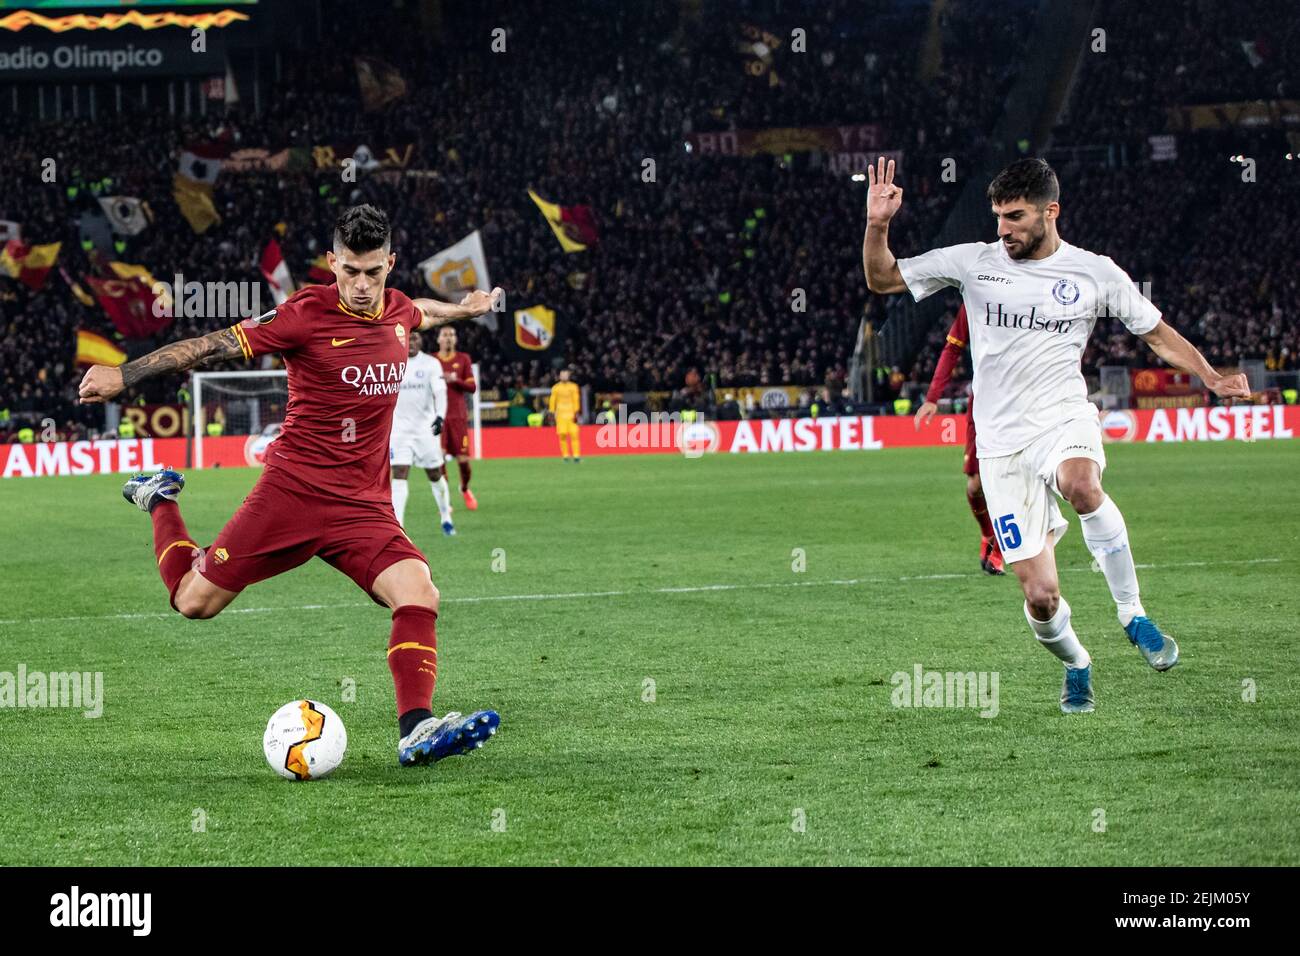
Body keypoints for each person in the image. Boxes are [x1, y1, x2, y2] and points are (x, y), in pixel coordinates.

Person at [78, 204, 506, 764]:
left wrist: (464, 310)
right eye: (349, 271)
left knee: (420, 590)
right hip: (292, 493)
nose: (359, 284)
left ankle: (416, 729)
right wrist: (126, 373)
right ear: (332, 262)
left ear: (390, 267)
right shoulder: (304, 313)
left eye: (372, 273)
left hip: (362, 505)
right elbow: (214, 345)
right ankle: (160, 497)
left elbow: (418, 310)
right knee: (193, 602)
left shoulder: (398, 309)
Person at [863, 156, 1249, 713]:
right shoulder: (974, 262)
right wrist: (878, 225)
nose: (1003, 229)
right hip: (1001, 445)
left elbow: (1157, 334)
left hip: (1062, 416)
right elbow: (883, 278)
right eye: (998, 216)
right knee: (1040, 596)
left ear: (1051, 211)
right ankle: (1077, 664)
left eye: (1015, 216)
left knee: (1083, 484)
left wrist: (1210, 376)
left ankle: (1133, 615)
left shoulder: (1096, 273)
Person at [913, 304, 1004, 575]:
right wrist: (932, 398)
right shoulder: (976, 296)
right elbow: (952, 348)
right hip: (984, 403)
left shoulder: (1031, 293)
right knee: (975, 486)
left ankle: (1000, 548)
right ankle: (988, 534)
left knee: (1015, 481)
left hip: (1024, 403)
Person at [390, 329, 456, 535]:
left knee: (435, 474)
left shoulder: (430, 364)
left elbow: (440, 393)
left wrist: (440, 417)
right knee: (399, 473)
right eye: (407, 338)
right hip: (399, 430)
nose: (411, 342)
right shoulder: (391, 362)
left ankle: (446, 516)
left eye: (415, 338)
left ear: (421, 341)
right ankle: (398, 526)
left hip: (425, 430)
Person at [434, 325, 478, 510]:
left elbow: (472, 387)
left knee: (464, 461)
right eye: (445, 335)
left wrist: (455, 380)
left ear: (456, 339)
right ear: (439, 339)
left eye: (452, 334)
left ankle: (464, 488)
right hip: (438, 417)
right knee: (439, 459)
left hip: (458, 417)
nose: (449, 338)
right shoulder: (431, 361)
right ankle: (446, 500)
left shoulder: (463, 359)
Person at [548, 368, 582, 461]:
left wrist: (576, 412)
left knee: (574, 434)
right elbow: (552, 400)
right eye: (562, 375)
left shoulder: (574, 387)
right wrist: (551, 411)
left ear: (569, 376)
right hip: (560, 414)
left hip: (571, 414)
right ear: (559, 376)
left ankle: (576, 456)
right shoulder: (556, 388)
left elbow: (576, 399)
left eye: (566, 374)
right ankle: (565, 456)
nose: (564, 376)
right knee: (562, 435)